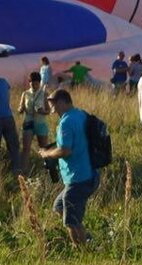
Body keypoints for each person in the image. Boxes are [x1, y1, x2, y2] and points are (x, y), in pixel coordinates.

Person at [40, 90, 99, 246]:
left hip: (78, 177)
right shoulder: (80, 114)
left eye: (52, 101)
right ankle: (87, 239)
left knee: (71, 221)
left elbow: (65, 151)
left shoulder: (66, 122)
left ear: (62, 102)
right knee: (59, 206)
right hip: (89, 173)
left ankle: (82, 251)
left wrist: (47, 154)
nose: (50, 105)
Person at [18, 71, 52, 158]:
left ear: (39, 82)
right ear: (29, 83)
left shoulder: (44, 94)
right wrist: (21, 109)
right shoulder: (25, 93)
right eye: (31, 83)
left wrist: (42, 112)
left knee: (44, 149)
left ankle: (46, 168)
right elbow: (20, 108)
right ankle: (24, 170)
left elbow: (49, 110)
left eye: (36, 83)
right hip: (28, 123)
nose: (34, 85)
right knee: (25, 149)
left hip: (41, 123)